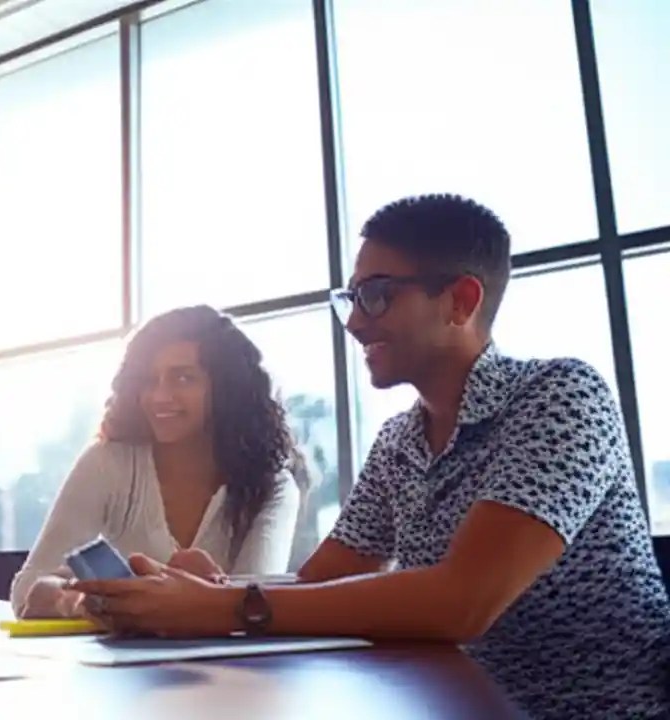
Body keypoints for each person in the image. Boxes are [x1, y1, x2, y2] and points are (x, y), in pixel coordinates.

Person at [71, 194, 670, 719]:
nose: (355, 323)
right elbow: (319, 583)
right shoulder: (398, 442)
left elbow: (464, 603)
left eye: (376, 296)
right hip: (442, 706)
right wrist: (220, 586)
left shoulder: (561, 396)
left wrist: (224, 605)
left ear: (461, 300)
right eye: (351, 299)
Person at [12, 305, 301, 619]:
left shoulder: (274, 487)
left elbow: (252, 608)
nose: (159, 396)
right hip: (119, 665)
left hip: (230, 667)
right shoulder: (107, 462)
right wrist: (81, 601)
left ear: (228, 389)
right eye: (149, 380)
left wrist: (128, 593)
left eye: (183, 377)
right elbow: (27, 590)